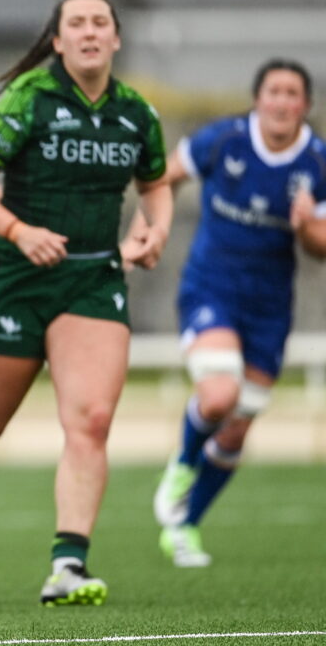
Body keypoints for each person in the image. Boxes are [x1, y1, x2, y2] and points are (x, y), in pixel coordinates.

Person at [0, 0, 173, 606]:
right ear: (58, 41)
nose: (89, 32)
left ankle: (68, 565)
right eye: (76, 24)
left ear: (114, 37)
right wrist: (19, 230)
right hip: (13, 278)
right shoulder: (29, 99)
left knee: (91, 420)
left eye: (99, 23)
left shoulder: (137, 113)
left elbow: (157, 184)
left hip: (91, 280)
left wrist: (154, 230)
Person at [151, 59, 326, 567]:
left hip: (269, 306)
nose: (281, 101)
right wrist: (155, 228)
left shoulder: (315, 163)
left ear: (305, 106)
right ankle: (182, 465)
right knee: (218, 396)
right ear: (258, 100)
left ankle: (184, 526)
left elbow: (321, 248)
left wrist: (305, 226)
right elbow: (164, 176)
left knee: (236, 427)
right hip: (211, 288)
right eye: (273, 91)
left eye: (292, 93)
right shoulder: (224, 140)